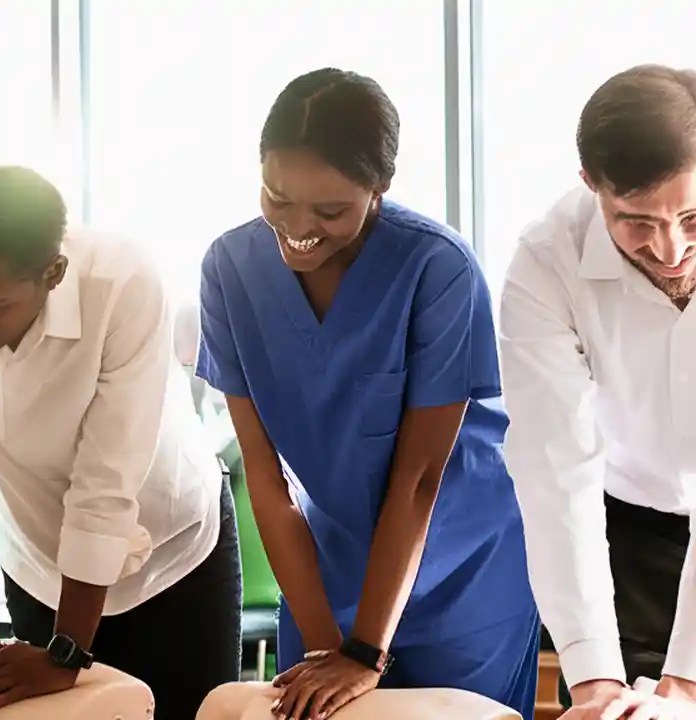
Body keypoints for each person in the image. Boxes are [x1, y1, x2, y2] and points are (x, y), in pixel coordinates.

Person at [196, 68, 539, 720]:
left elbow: (419, 479)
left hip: (463, 566)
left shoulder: (437, 268)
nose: (298, 228)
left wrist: (367, 652)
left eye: (330, 211)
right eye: (277, 197)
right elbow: (266, 479)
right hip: (327, 572)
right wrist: (330, 646)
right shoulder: (229, 271)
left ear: (379, 188)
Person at [0, 164, 241, 720]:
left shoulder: (121, 283)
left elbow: (104, 485)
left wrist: (66, 653)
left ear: (52, 273)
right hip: (41, 558)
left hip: (171, 552)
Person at [499, 64, 696, 720]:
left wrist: (687, 686)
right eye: (636, 220)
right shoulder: (546, 260)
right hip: (630, 533)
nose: (670, 249)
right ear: (591, 185)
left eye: (693, 217)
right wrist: (595, 683)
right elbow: (555, 469)